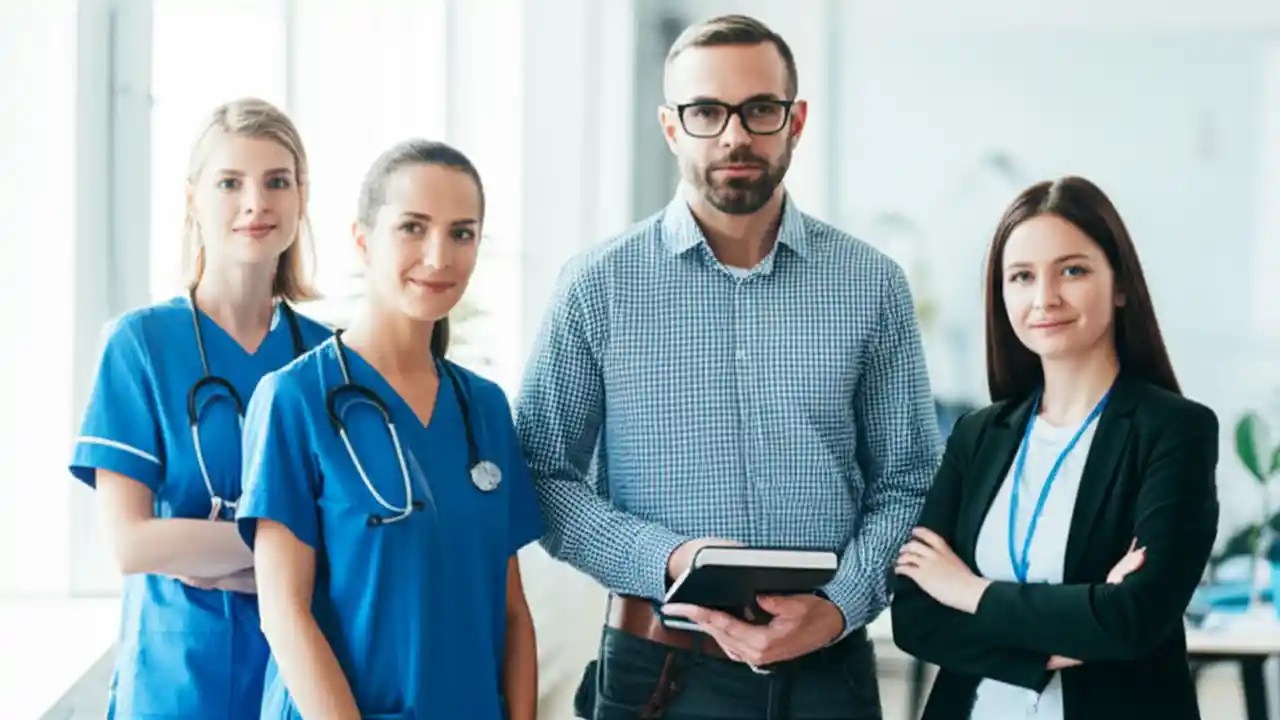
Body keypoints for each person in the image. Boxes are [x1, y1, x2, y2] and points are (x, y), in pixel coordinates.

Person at [516, 14, 939, 720]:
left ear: (795, 121)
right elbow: (541, 475)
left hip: (828, 675)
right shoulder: (597, 286)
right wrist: (670, 558)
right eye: (706, 112)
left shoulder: (871, 285)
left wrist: (837, 607)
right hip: (657, 676)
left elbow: (910, 480)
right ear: (671, 127)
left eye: (759, 110)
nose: (734, 135)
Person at [890, 176, 1219, 720]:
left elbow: (1134, 618)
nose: (1045, 298)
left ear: (1120, 284)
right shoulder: (977, 435)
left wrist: (968, 591)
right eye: (1022, 276)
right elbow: (916, 619)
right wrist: (1076, 629)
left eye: (1072, 270)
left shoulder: (1175, 431)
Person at [235, 139, 541, 720]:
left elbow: (511, 614)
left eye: (461, 233)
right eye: (412, 228)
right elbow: (284, 613)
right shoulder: (295, 399)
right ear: (362, 240)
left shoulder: (483, 408)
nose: (438, 257)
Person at [68, 97, 331, 719]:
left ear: (301, 197)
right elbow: (132, 543)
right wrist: (286, 554)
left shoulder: (329, 362)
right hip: (174, 682)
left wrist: (206, 553)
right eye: (230, 182)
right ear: (193, 199)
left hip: (299, 680)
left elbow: (353, 542)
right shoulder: (142, 346)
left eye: (277, 182)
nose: (255, 203)